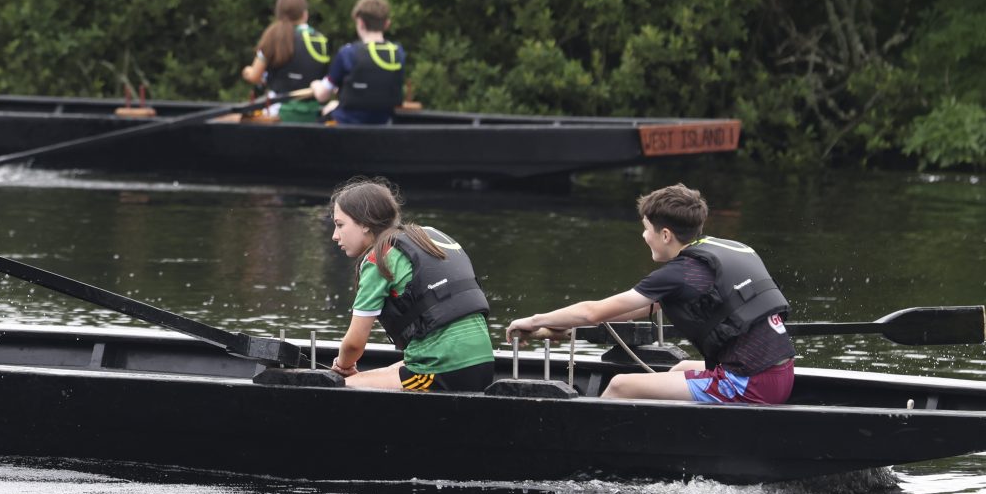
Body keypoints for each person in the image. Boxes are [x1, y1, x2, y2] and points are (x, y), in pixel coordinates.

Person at [506, 183, 794, 404]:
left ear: (665, 235)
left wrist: (533, 320)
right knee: (676, 369)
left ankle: (590, 458)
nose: (644, 237)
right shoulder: (723, 250)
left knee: (621, 385)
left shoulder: (679, 272)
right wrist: (559, 328)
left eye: (646, 229)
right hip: (779, 374)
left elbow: (594, 311)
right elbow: (635, 309)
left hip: (748, 383)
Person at [327, 177, 494, 392]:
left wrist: (342, 368)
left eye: (340, 225)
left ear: (365, 223)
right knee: (382, 372)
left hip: (444, 369)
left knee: (339, 386)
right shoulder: (427, 236)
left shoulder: (380, 257)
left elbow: (354, 344)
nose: (334, 236)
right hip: (482, 362)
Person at [310, 0, 406, 125]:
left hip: (347, 129)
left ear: (360, 23)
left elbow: (322, 95)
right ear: (387, 24)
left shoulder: (348, 53)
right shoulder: (398, 53)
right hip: (384, 127)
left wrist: (315, 85)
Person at [239, 0, 332, 123]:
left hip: (279, 110)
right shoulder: (320, 39)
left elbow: (255, 76)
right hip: (313, 112)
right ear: (305, 14)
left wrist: (246, 72)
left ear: (278, 14)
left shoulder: (273, 35)